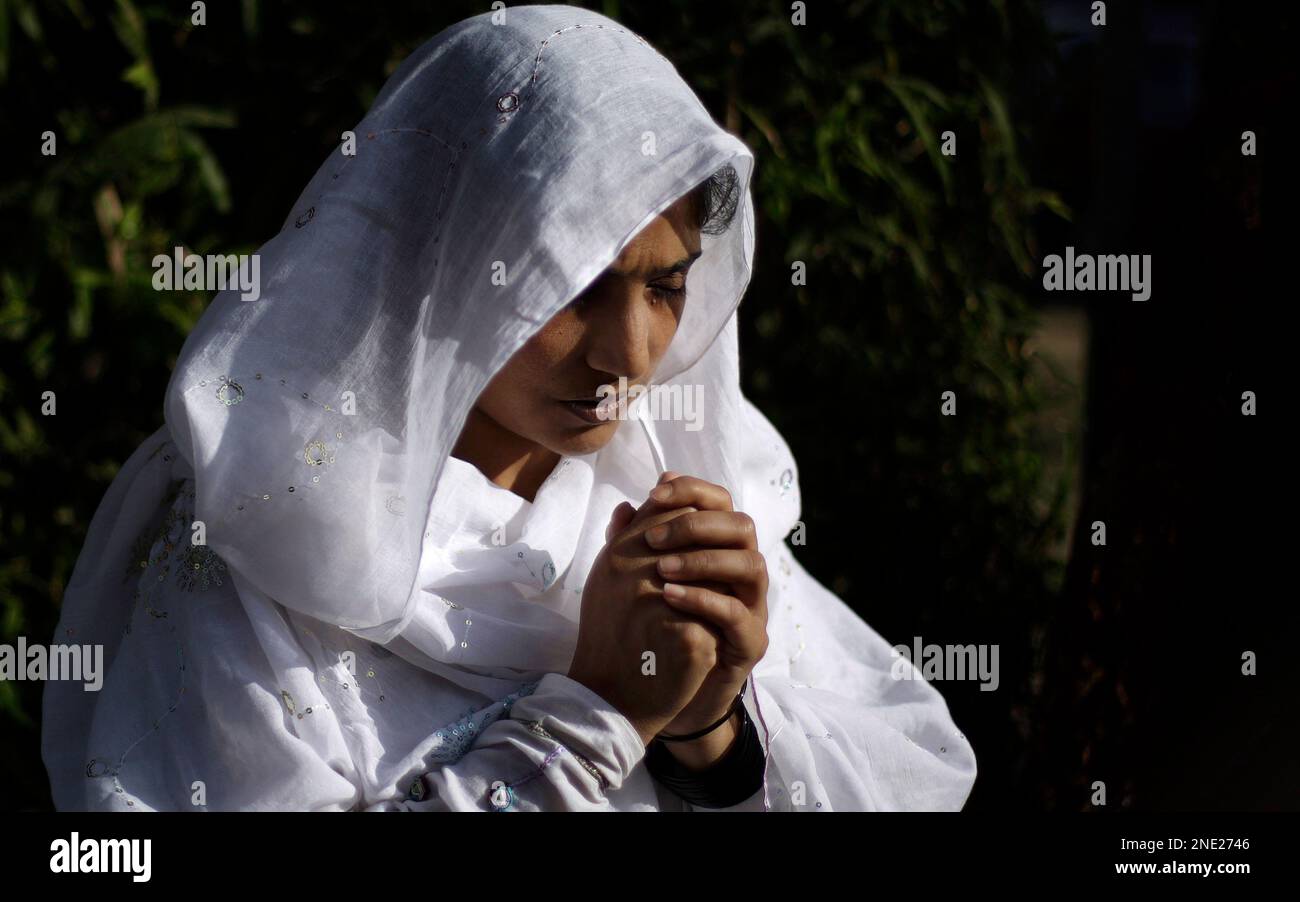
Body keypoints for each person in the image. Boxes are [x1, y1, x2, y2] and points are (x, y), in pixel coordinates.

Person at [42, 4, 975, 811]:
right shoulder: (265, 539)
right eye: (570, 287)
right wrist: (600, 712)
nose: (630, 354)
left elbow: (905, 771)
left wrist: (711, 732)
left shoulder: (678, 499)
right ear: (442, 265)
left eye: (667, 286)